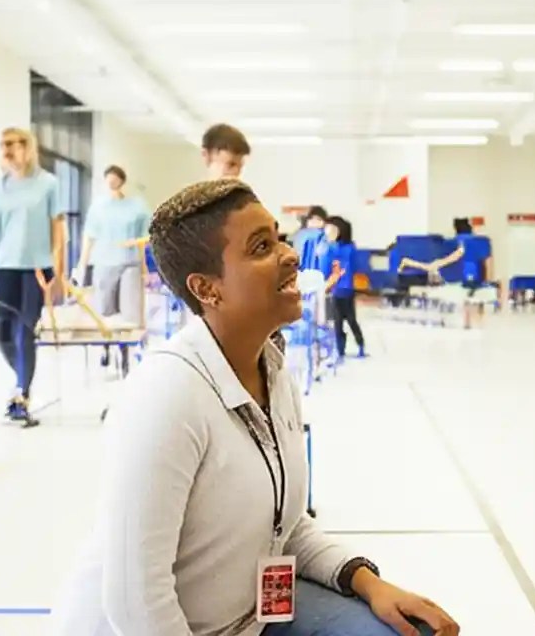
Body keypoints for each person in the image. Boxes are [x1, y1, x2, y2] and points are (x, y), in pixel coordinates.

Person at [52, 179, 457, 636]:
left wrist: (369, 584)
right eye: (261, 247)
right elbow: (135, 600)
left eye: (279, 236)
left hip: (249, 618)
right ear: (207, 289)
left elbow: (283, 523)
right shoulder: (167, 394)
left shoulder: (272, 369)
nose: (289, 254)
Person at [0, 127, 66, 426]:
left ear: (28, 148)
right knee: (3, 334)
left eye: (17, 144)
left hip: (36, 268)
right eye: (4, 144)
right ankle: (20, 380)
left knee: (24, 331)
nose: (10, 149)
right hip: (5, 267)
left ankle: (21, 393)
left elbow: (58, 230)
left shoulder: (48, 184)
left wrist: (59, 271)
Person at [76, 164, 151, 367]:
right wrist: (81, 266)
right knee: (105, 310)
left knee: (130, 312)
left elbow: (146, 237)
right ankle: (105, 348)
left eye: (115, 178)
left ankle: (125, 352)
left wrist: (143, 265)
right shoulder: (98, 207)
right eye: (108, 179)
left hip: (130, 263)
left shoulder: (137, 206)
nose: (111, 182)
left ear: (121, 180)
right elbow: (89, 236)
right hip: (104, 262)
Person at [324, 216, 365, 359]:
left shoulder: (344, 248)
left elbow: (355, 266)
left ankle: (358, 345)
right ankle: (342, 349)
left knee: (349, 320)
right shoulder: (333, 247)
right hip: (338, 290)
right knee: (339, 321)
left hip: (345, 289)